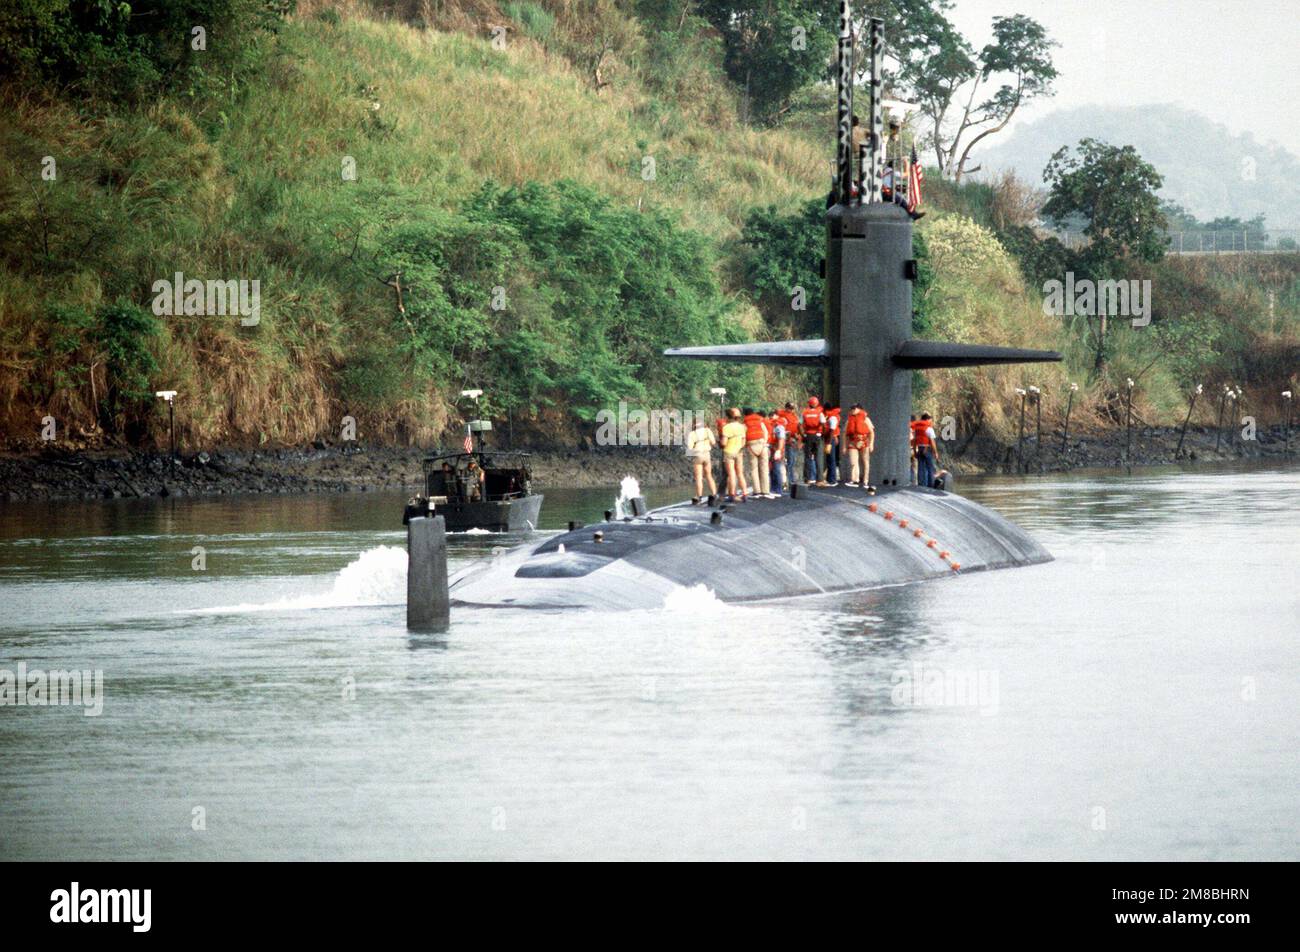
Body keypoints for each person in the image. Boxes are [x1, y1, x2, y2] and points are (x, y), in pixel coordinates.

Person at [685, 414, 718, 503]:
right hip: (707, 455)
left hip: (698, 455)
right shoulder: (707, 431)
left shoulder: (692, 434)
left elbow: (690, 447)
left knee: (699, 477)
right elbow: (713, 442)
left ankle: (699, 496)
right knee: (709, 475)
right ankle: (714, 494)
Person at [844, 403, 875, 488]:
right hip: (852, 442)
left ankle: (865, 481)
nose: (852, 410)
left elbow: (871, 432)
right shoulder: (849, 420)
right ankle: (855, 480)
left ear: (859, 409)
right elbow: (845, 434)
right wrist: (844, 446)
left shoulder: (866, 419)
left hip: (864, 441)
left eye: (854, 408)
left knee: (865, 461)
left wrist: (871, 444)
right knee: (853, 462)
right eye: (851, 408)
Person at [742, 407, 771, 497]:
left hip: (752, 446)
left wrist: (744, 446)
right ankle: (765, 490)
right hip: (762, 445)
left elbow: (743, 436)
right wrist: (764, 442)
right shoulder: (760, 421)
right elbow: (765, 432)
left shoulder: (745, 423)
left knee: (754, 469)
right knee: (764, 469)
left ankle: (757, 491)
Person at [721, 408, 748, 501]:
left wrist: (720, 442)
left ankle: (732, 495)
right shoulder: (742, 427)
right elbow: (744, 441)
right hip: (739, 452)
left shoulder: (726, 427)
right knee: (740, 473)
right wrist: (739, 448)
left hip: (729, 452)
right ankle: (745, 494)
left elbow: (724, 443)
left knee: (731, 474)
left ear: (728, 417)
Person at [911, 412, 940, 488]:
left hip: (919, 449)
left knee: (921, 468)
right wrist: (935, 452)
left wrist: (915, 451)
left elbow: (914, 441)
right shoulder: (929, 428)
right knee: (930, 468)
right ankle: (931, 485)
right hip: (927, 449)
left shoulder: (917, 428)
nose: (931, 421)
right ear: (927, 419)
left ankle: (921, 485)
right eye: (930, 420)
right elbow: (932, 442)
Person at [800, 397, 824, 485]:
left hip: (808, 436)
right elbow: (823, 423)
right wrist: (821, 433)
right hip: (817, 436)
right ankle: (819, 480)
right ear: (817, 404)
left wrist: (803, 435)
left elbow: (799, 425)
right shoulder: (819, 413)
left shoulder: (805, 413)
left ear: (809, 404)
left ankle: (807, 479)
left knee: (807, 457)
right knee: (819, 457)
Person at [767, 409, 786, 495]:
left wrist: (778, 451)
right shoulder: (772, 425)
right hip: (772, 449)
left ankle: (778, 490)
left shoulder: (779, 426)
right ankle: (773, 489)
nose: (771, 418)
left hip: (777, 450)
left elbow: (781, 439)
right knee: (772, 469)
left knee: (776, 469)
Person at [781, 402, 800, 486]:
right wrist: (789, 439)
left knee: (791, 462)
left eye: (792, 408)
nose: (792, 410)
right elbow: (784, 430)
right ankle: (789, 481)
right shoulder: (782, 416)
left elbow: (797, 428)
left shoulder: (794, 416)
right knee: (788, 462)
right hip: (786, 441)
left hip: (793, 441)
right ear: (786, 408)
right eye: (790, 408)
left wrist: (797, 436)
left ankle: (791, 480)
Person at [823, 403, 841, 486]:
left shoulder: (832, 417)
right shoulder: (830, 416)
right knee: (829, 459)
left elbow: (832, 430)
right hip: (830, 439)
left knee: (831, 459)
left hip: (831, 439)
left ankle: (832, 480)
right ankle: (829, 478)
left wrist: (829, 443)